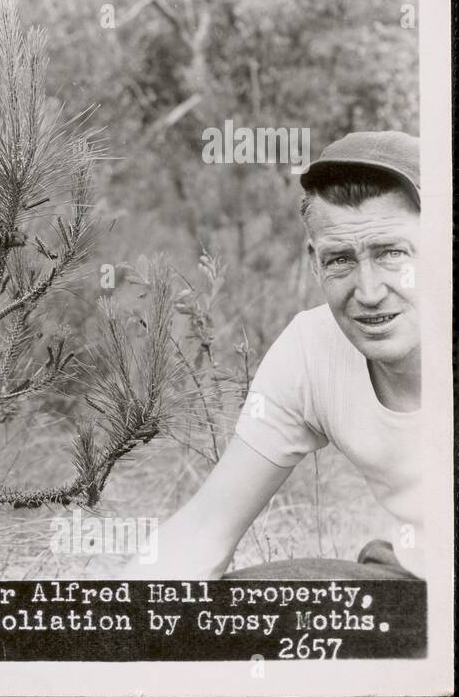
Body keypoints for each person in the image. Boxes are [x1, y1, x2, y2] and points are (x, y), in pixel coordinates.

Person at [128, 131, 424, 580]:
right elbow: (206, 529)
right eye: (340, 260)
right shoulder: (312, 346)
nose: (368, 292)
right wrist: (110, 629)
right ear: (313, 261)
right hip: (412, 582)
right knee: (252, 601)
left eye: (392, 254)